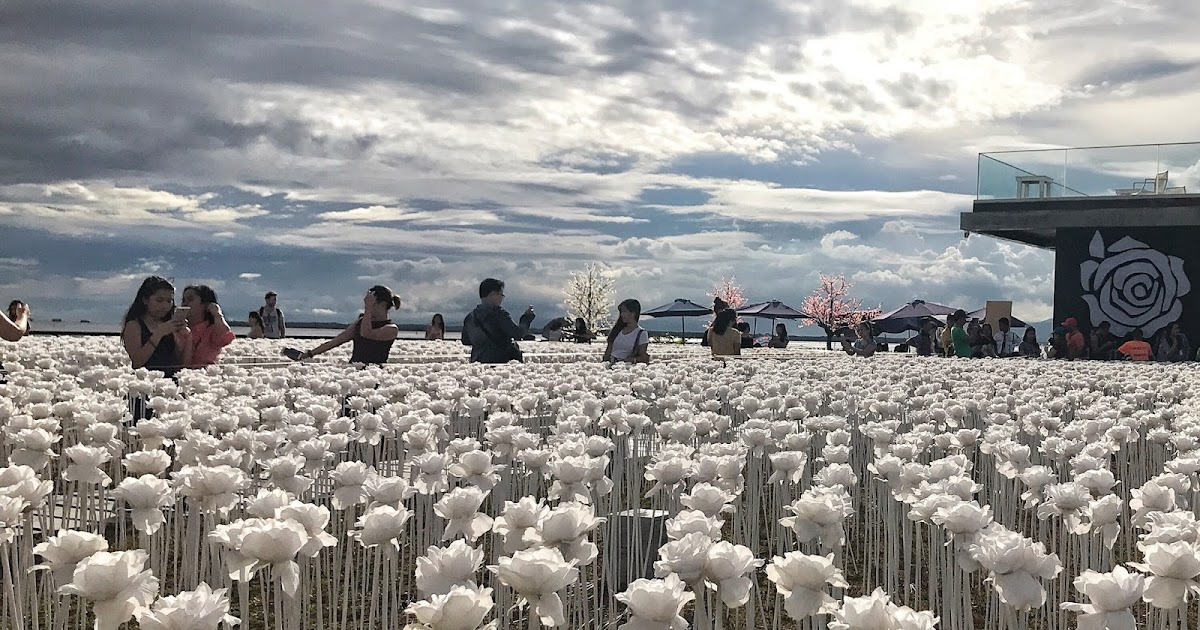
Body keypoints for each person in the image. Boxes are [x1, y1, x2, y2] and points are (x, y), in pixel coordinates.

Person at [295, 286, 402, 365]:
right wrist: (309, 354)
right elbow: (335, 341)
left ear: (382, 304)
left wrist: (368, 309)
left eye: (371, 304)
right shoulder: (360, 322)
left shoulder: (391, 329)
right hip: (354, 371)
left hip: (374, 374)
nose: (367, 307)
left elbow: (367, 333)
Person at [121, 276, 191, 377]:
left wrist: (183, 338)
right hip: (144, 384)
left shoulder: (168, 324)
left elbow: (178, 363)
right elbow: (136, 362)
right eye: (159, 300)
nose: (165, 306)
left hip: (170, 384)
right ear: (145, 300)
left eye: (169, 301)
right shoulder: (134, 325)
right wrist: (159, 334)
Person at [462, 278, 535, 363]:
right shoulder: (499, 314)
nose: (502, 298)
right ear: (493, 294)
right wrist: (526, 318)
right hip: (502, 364)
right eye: (501, 294)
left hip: (478, 363)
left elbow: (465, 340)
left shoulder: (470, 317)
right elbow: (518, 333)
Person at [182, 285, 235, 368]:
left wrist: (217, 314)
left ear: (206, 304)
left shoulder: (211, 329)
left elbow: (224, 337)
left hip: (205, 377)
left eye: (190, 299)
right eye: (183, 300)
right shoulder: (179, 328)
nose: (185, 304)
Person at [603, 299, 650, 364]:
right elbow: (608, 352)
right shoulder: (617, 330)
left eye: (624, 311)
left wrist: (633, 360)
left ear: (633, 313)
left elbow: (643, 357)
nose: (622, 314)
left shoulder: (641, 333)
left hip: (626, 368)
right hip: (611, 366)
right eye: (621, 312)